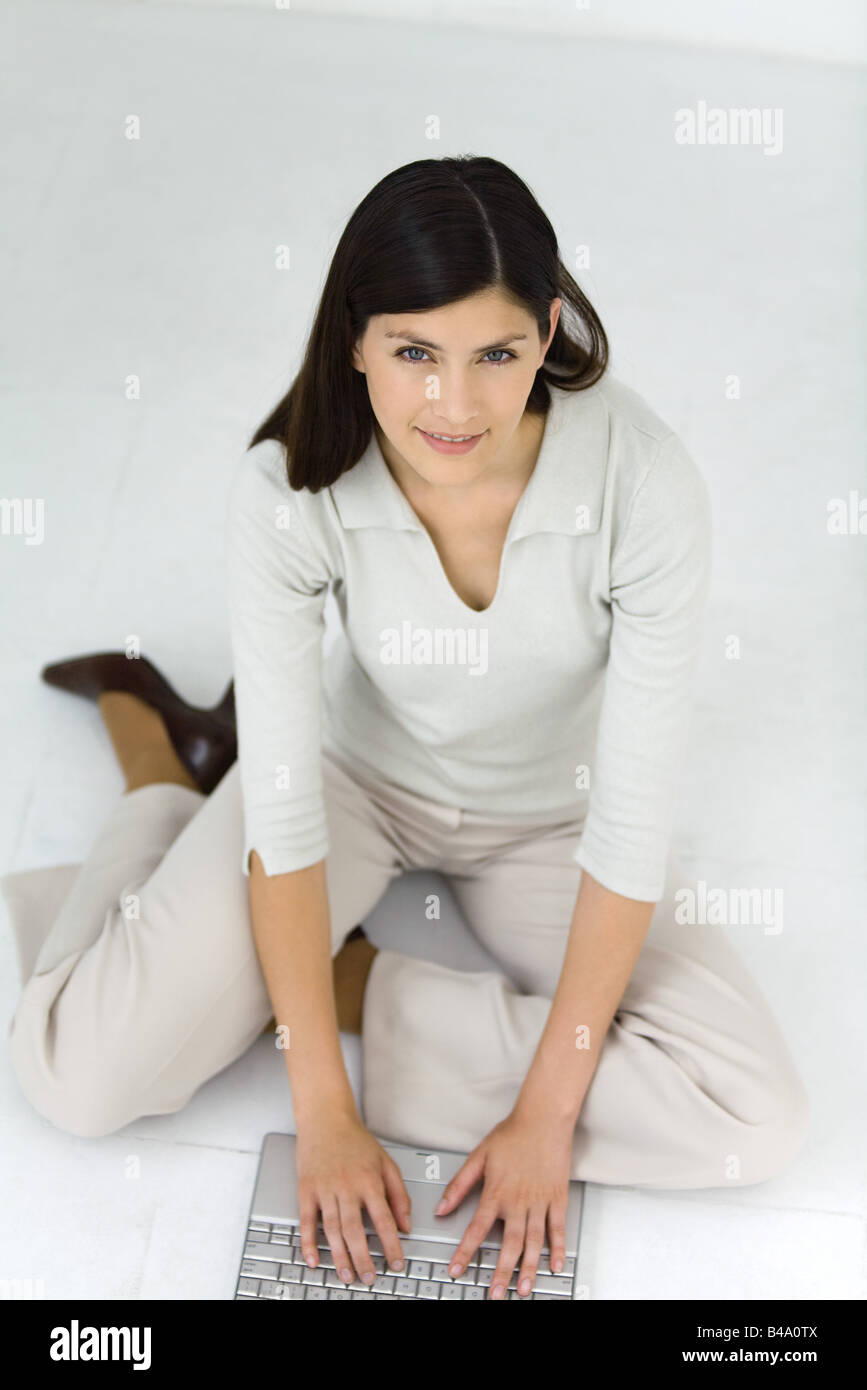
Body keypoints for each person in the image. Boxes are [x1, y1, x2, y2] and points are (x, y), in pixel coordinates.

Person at [2, 155, 810, 1302]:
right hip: (355, 780)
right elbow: (285, 819)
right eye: (415, 354)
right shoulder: (289, 486)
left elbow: (628, 828)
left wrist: (545, 1116)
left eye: (497, 353)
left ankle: (355, 985)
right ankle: (162, 781)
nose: (457, 405)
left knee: (756, 1113)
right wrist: (322, 1111)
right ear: (356, 342)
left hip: (554, 817)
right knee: (77, 1077)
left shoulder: (646, 482)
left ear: (551, 330)